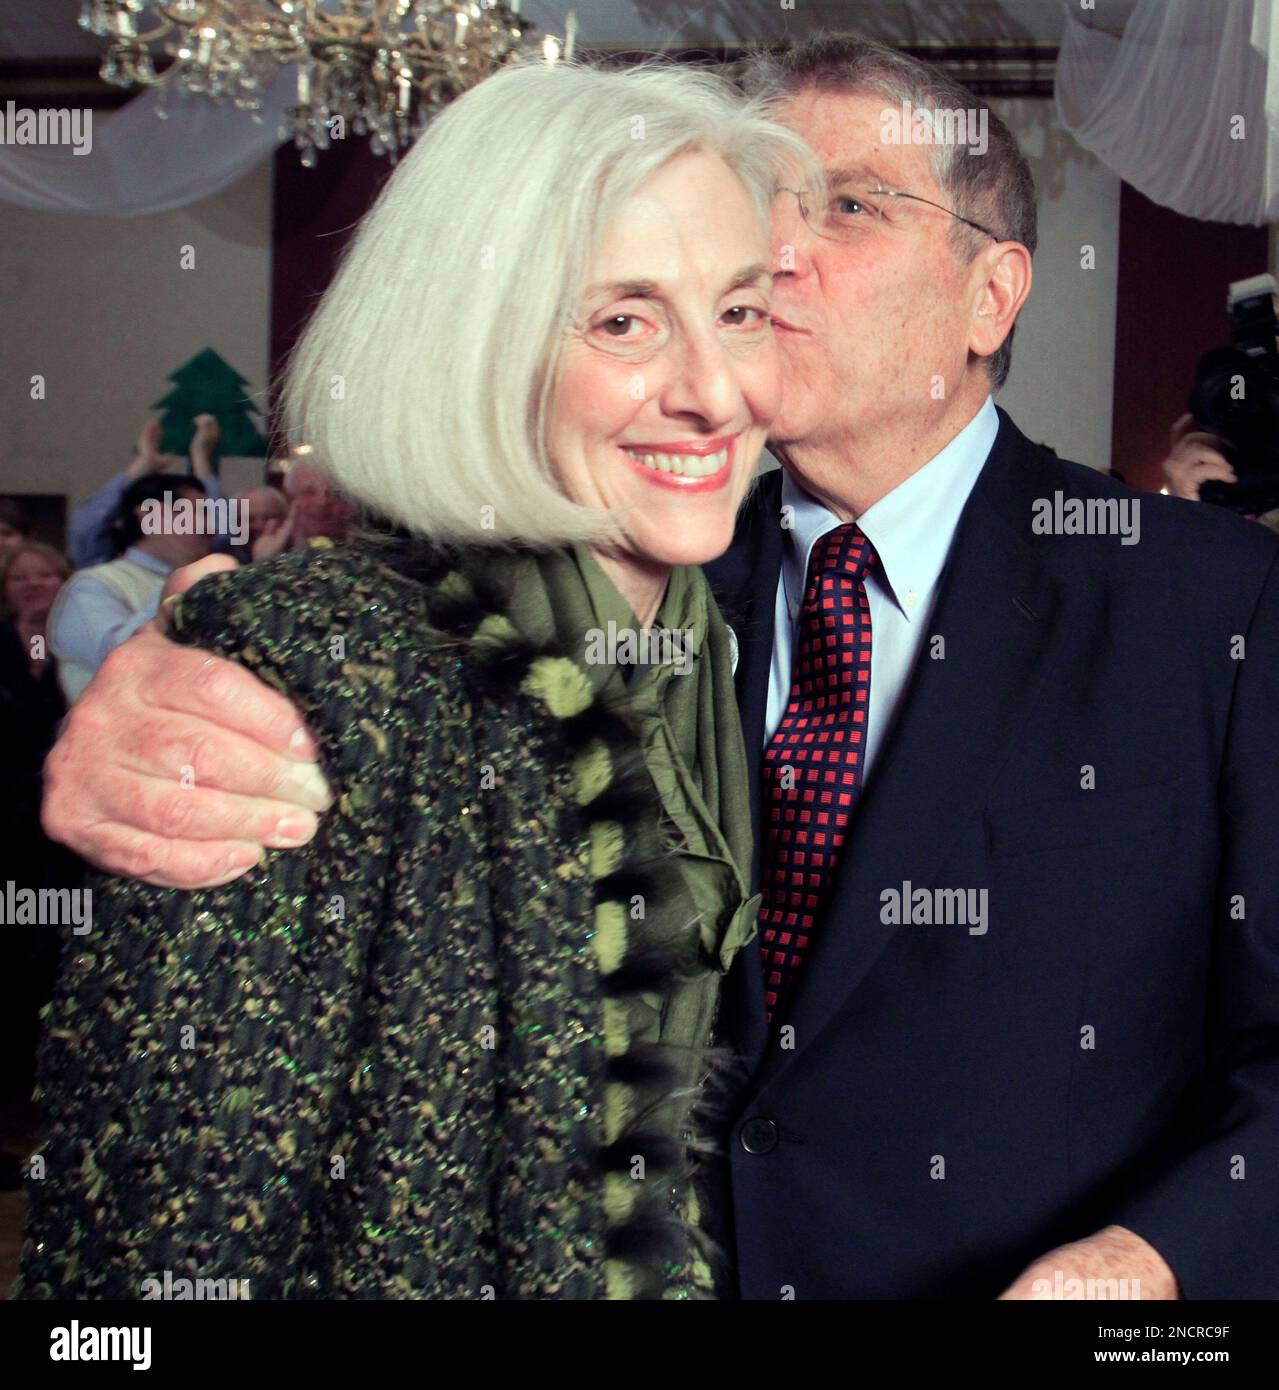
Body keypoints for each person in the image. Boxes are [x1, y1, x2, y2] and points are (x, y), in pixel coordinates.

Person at [39, 34, 1279, 1301]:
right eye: (750, 239)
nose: (781, 262)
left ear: (990, 295)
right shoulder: (621, 573)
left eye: (847, 205)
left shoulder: (1209, 603)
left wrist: (1147, 1267)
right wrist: (164, 684)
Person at [16, 56, 820, 1300]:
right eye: (623, 319)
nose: (714, 393)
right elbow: (157, 1245)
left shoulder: (731, 647)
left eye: (741, 310)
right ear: (477, 346)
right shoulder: (316, 674)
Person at [0, 542, 79, 1187]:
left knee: (57, 968)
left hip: (67, 848)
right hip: (6, 840)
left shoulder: (86, 649)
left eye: (45, 575)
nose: (33, 586)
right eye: (20, 578)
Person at [48, 474, 215, 702]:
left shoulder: (206, 582)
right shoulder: (92, 586)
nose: (209, 526)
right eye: (192, 512)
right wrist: (180, 585)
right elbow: (116, 657)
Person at [68, 414, 231, 569]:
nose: (210, 526)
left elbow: (225, 533)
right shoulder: (107, 575)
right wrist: (140, 467)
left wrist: (201, 457)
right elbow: (86, 527)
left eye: (205, 513)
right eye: (190, 511)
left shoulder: (202, 569)